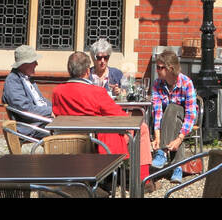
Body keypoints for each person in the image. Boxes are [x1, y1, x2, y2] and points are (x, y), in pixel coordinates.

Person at [51, 51, 150, 183]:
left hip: (69, 139)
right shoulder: (97, 92)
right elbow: (120, 116)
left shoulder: (57, 91)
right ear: (87, 71)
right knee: (142, 128)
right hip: (96, 140)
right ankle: (144, 180)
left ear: (69, 70)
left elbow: (56, 113)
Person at [149, 49, 197, 181]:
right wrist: (157, 136)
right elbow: (157, 111)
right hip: (168, 121)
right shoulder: (157, 84)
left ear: (170, 69)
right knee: (174, 120)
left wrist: (180, 138)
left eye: (160, 67)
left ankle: (162, 152)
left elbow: (191, 114)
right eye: (157, 67)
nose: (157, 70)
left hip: (186, 116)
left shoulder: (186, 83)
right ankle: (177, 167)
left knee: (172, 108)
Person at [3, 44, 52, 140]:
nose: (37, 64)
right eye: (34, 61)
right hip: (32, 126)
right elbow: (24, 109)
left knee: (69, 126)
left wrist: (59, 108)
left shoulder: (27, 79)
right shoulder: (13, 81)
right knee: (64, 132)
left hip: (43, 120)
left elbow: (41, 101)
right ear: (24, 64)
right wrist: (51, 111)